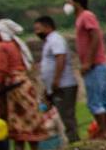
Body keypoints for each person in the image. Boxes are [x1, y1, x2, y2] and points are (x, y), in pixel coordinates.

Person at [0, 18, 48, 150]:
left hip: (13, 86)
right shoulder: (16, 45)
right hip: (25, 84)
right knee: (31, 118)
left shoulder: (0, 47)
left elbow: (0, 70)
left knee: (16, 120)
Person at [66, 0, 106, 139]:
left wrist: (88, 61)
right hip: (98, 65)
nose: (67, 5)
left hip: (95, 66)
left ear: (77, 2)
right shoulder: (81, 18)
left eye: (69, 1)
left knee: (96, 101)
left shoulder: (86, 16)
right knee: (104, 101)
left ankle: (104, 132)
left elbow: (95, 37)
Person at [33, 15, 79, 143]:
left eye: (38, 29)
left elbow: (60, 57)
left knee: (66, 117)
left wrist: (56, 80)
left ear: (48, 27)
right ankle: (68, 142)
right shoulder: (49, 42)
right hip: (56, 86)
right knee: (61, 117)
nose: (36, 33)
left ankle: (74, 142)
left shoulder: (55, 39)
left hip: (63, 84)